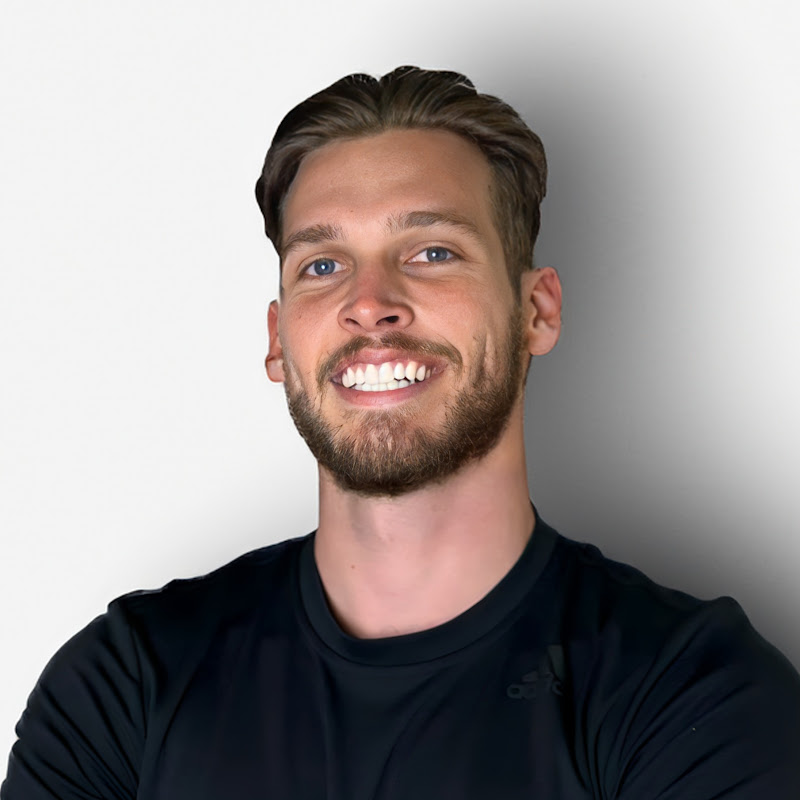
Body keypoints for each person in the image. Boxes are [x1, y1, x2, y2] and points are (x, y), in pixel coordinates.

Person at [3, 65, 799, 799]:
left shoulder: (693, 693)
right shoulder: (126, 688)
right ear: (279, 341)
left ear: (536, 311)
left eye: (431, 251)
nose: (369, 303)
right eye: (322, 265)